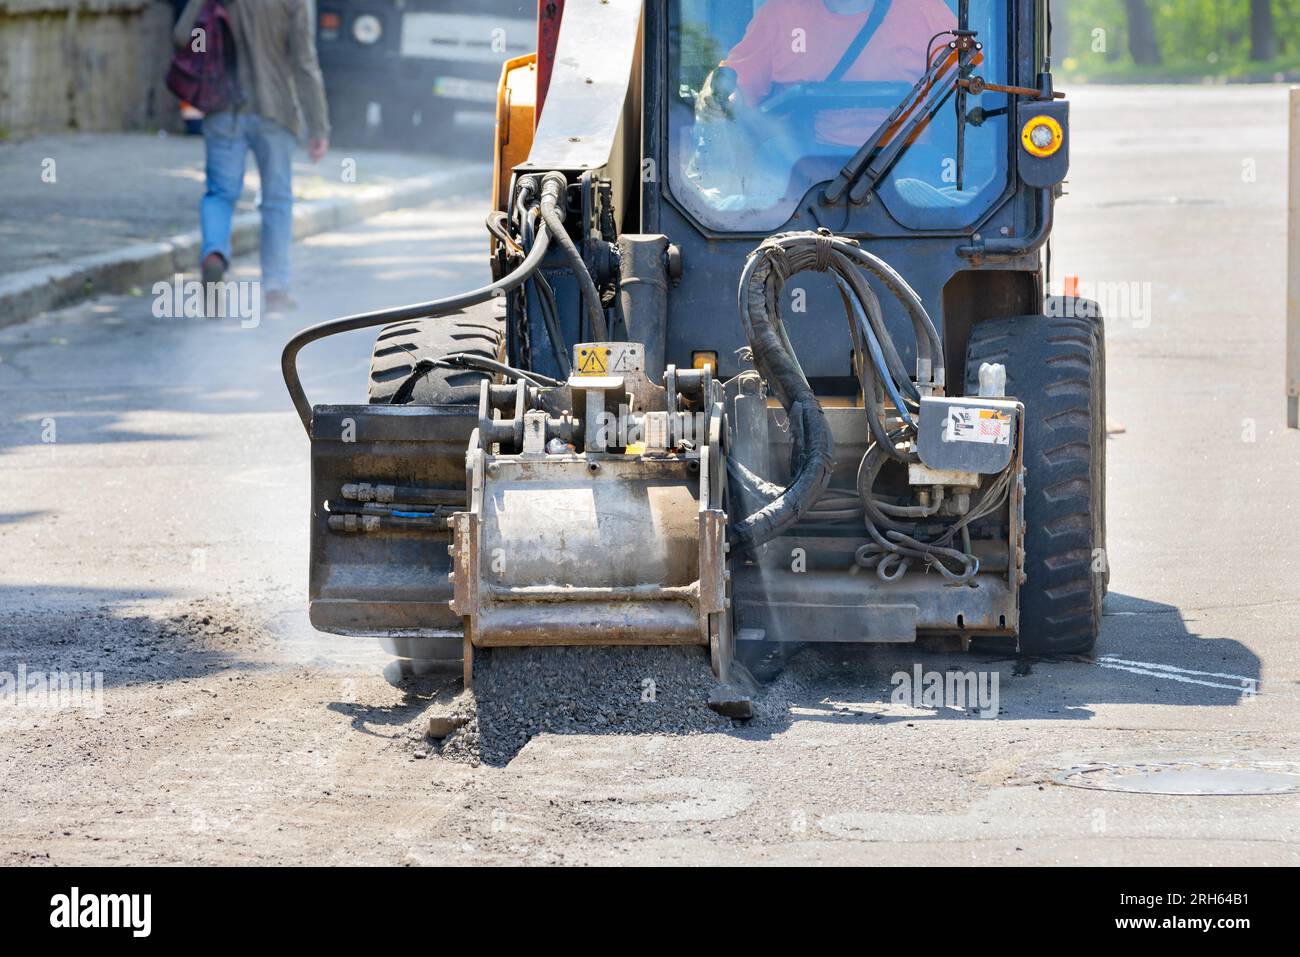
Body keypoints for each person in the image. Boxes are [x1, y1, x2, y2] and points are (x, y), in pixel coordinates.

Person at [173, 0, 330, 311]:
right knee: (277, 202)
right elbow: (304, 62)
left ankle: (214, 255)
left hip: (223, 109)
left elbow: (182, 36)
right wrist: (318, 126)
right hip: (276, 111)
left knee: (220, 194)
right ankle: (275, 290)